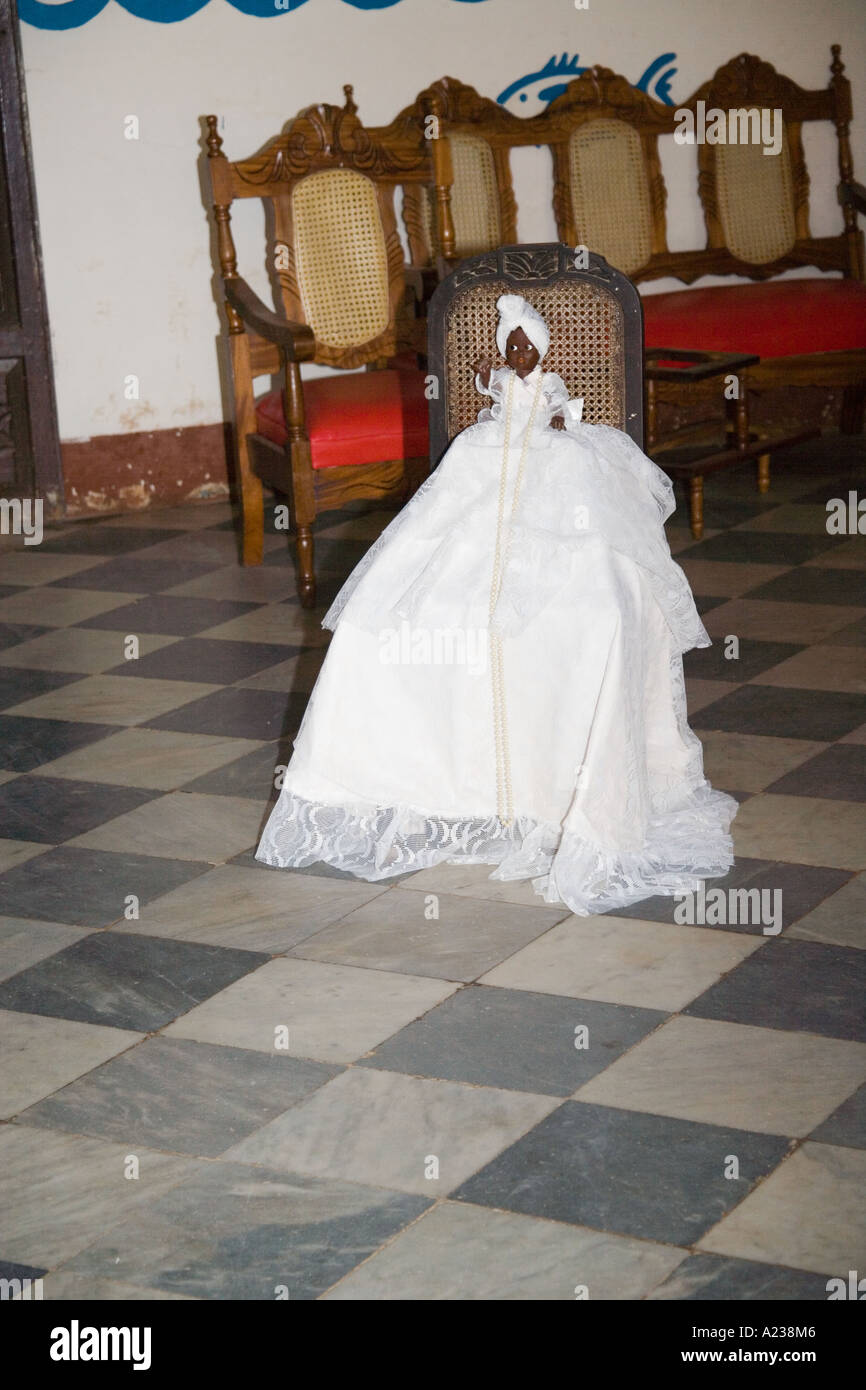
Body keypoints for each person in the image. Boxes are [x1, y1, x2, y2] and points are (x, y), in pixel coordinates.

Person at [256, 294, 737, 916]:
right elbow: (484, 396)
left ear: (542, 351)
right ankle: (404, 784)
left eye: (526, 346)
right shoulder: (495, 389)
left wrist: (561, 425)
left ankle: (564, 801)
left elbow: (565, 417)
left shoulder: (555, 390)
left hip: (551, 485)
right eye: (511, 346)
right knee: (403, 596)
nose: (519, 355)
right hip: (486, 473)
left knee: (585, 599)